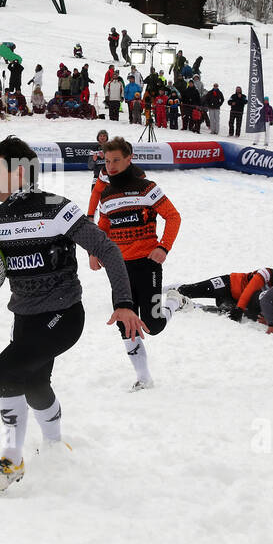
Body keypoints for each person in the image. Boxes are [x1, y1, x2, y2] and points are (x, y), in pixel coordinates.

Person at [0, 136, 143, 493]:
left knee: (4, 370)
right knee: (35, 384)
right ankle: (55, 445)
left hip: (64, 316)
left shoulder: (58, 208)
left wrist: (124, 302)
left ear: (19, 170)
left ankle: (12, 457)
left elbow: (108, 250)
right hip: (24, 318)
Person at [90, 137, 182, 390]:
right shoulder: (106, 195)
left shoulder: (147, 187)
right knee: (125, 323)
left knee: (152, 326)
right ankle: (144, 378)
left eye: (116, 160)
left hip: (147, 264)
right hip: (119, 268)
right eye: (107, 161)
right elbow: (103, 226)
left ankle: (175, 301)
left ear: (129, 159)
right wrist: (94, 252)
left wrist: (163, 247)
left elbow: (173, 217)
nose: (111, 166)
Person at [167, 266, 273, 319]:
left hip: (234, 301)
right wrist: (240, 308)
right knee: (190, 290)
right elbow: (250, 289)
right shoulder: (268, 273)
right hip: (229, 283)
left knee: (224, 312)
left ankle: (193, 306)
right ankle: (165, 289)